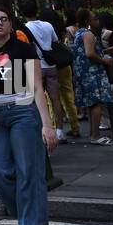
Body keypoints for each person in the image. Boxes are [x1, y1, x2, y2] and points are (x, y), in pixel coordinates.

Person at [0, 6, 58, 225]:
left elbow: (36, 86)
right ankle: (29, 216)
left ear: (11, 24)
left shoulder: (23, 48)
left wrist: (47, 124)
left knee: (29, 174)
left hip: (23, 113)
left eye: (3, 19)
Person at [20, 0, 67, 144]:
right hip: (51, 65)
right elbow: (55, 42)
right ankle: (60, 130)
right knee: (55, 98)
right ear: (37, 11)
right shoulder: (48, 25)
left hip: (37, 66)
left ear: (22, 13)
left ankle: (42, 128)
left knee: (37, 99)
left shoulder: (25, 28)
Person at [71, 9, 113, 144]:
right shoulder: (88, 34)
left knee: (91, 104)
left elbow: (85, 50)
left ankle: (93, 134)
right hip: (92, 71)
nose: (96, 20)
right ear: (88, 21)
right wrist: (105, 60)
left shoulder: (78, 33)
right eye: (94, 18)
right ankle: (95, 135)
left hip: (82, 71)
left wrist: (104, 50)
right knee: (97, 102)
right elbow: (90, 53)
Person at [41, 9, 81, 137]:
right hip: (64, 64)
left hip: (49, 64)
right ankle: (75, 126)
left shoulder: (42, 29)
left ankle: (56, 127)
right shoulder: (61, 29)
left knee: (52, 97)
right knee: (68, 96)